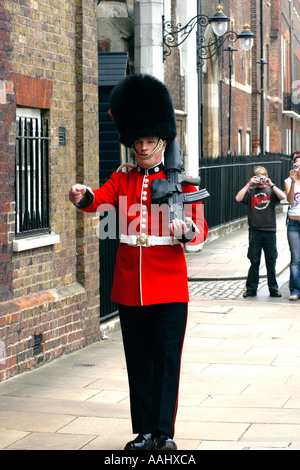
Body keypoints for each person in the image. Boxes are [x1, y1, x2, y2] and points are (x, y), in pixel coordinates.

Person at [69, 75, 208, 451]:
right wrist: (83, 196)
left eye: (150, 141)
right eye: (139, 141)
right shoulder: (123, 177)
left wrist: (187, 230)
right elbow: (100, 200)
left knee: (166, 361)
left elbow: (201, 229)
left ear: (162, 141)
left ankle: (164, 433)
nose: (144, 147)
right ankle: (144, 431)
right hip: (131, 286)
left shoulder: (180, 181)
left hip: (169, 285)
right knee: (139, 362)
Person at [235, 165, 286, 298]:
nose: (260, 181)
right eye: (258, 178)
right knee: (254, 260)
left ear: (267, 177)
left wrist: (272, 184)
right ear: (254, 178)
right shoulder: (251, 191)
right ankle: (251, 289)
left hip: (269, 230)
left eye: (262, 178)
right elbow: (238, 198)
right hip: (255, 230)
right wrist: (249, 183)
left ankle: (273, 289)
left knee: (271, 260)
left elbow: (283, 197)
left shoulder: (271, 190)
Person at [284, 151, 300, 301]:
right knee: (296, 259)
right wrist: (294, 181)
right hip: (294, 224)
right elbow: (290, 201)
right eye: (297, 165)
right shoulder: (288, 181)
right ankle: (295, 289)